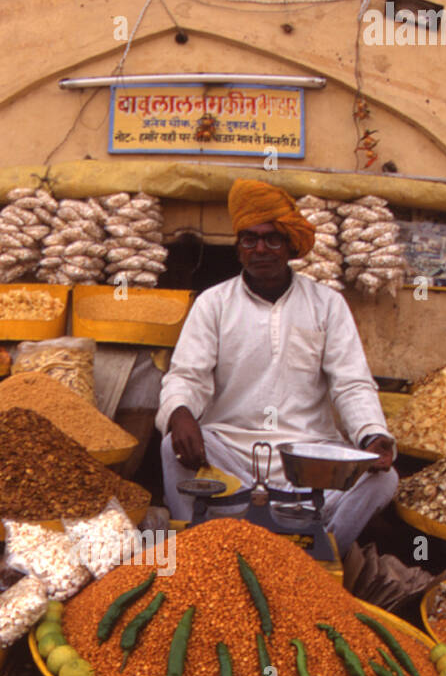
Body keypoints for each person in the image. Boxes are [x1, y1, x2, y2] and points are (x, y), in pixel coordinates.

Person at [155, 179, 398, 554]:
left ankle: (315, 553)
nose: (260, 250)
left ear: (290, 245)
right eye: (249, 240)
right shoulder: (213, 304)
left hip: (309, 464)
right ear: (238, 249)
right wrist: (180, 412)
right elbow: (187, 375)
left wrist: (371, 434)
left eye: (272, 239)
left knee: (384, 482)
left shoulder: (327, 304)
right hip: (231, 460)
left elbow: (350, 383)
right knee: (173, 446)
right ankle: (198, 553)